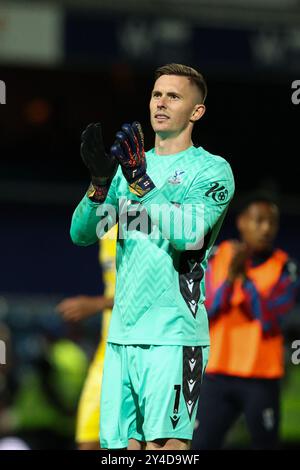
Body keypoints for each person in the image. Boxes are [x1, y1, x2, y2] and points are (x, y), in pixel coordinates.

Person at [70, 63, 235, 450]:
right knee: (120, 451)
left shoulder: (210, 170)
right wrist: (98, 185)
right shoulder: (128, 167)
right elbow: (81, 233)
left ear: (197, 112)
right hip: (122, 337)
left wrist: (142, 184)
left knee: (166, 451)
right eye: (157, 94)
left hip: (174, 336)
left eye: (174, 96)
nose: (161, 103)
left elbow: (190, 235)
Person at [192, 195, 300, 450]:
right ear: (241, 222)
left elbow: (269, 319)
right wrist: (231, 279)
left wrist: (246, 281)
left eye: (272, 223)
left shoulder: (286, 268)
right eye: (258, 221)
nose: (265, 229)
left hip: (260, 377)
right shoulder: (218, 256)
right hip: (217, 374)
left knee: (265, 445)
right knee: (199, 446)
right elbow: (208, 309)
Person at [56, 226, 116, 450]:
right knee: (89, 440)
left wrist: (97, 304)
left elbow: (158, 290)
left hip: (142, 350)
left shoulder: (151, 220)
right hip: (106, 353)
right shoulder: (107, 225)